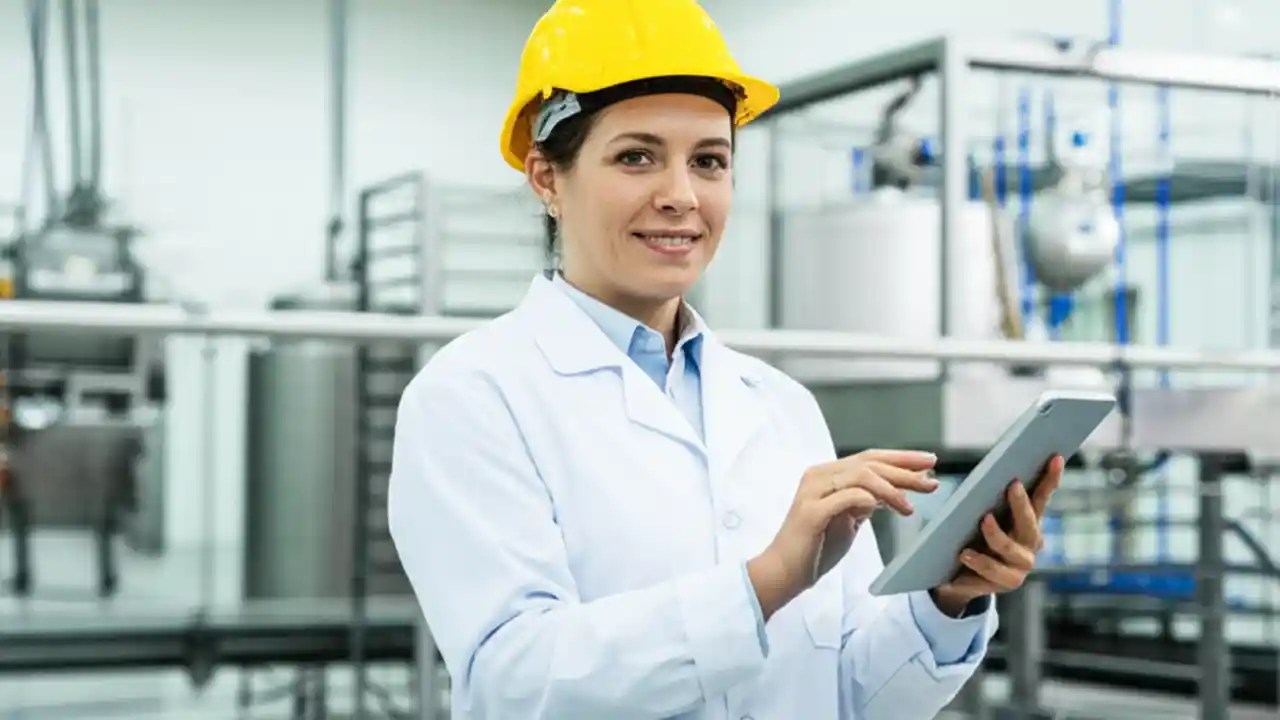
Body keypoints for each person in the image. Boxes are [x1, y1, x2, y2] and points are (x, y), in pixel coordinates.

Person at [387, 1, 1064, 717]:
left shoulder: (780, 405)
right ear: (547, 178)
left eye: (709, 161)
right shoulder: (472, 395)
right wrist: (766, 581)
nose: (681, 196)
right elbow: (515, 681)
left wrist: (947, 597)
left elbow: (855, 695)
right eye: (636, 157)